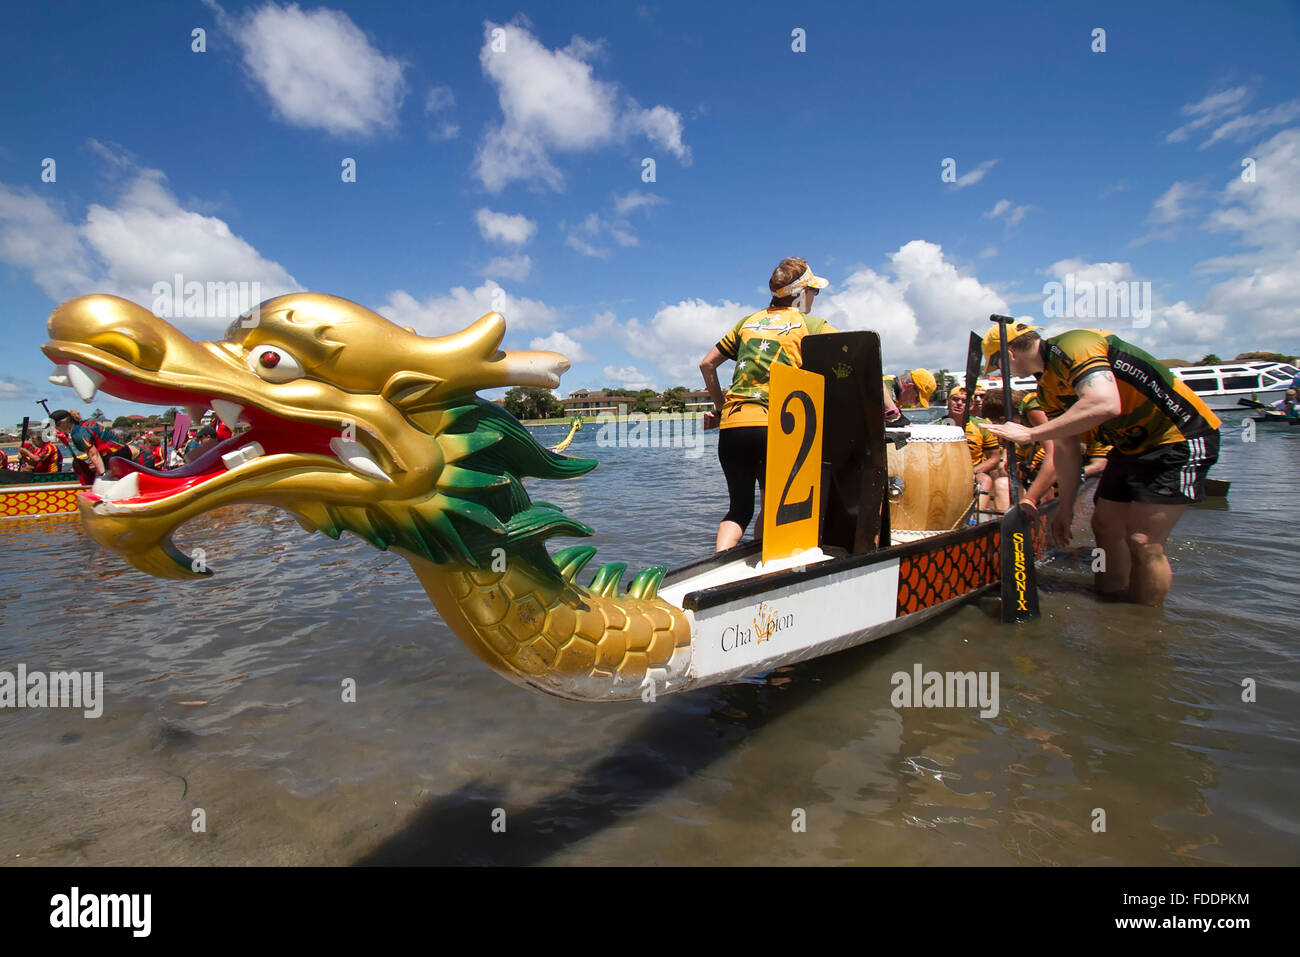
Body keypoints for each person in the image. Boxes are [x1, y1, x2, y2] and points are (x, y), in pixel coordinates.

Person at [982, 324, 1221, 606]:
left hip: (1179, 436)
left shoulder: (1076, 343)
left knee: (1143, 541)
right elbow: (1066, 450)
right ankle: (1108, 602)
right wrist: (1066, 509)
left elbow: (1105, 404)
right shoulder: (1047, 387)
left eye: (996, 364)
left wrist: (1031, 434)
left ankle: (1143, 628)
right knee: (1104, 526)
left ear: (1009, 354)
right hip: (1129, 446)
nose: (998, 372)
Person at [700, 257, 837, 551]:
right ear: (800, 293)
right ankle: (761, 574)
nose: (815, 297)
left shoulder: (747, 323)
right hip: (775, 428)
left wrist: (723, 408)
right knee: (774, 505)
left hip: (733, 427)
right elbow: (855, 357)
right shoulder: (811, 325)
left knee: (739, 510)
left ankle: (719, 566)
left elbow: (707, 364)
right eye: (814, 291)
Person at [49, 410, 149, 478]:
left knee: (104, 481)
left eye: (56, 426)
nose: (56, 429)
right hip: (121, 451)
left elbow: (94, 454)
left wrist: (102, 474)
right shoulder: (84, 424)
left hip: (113, 456)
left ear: (64, 422)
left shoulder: (77, 434)